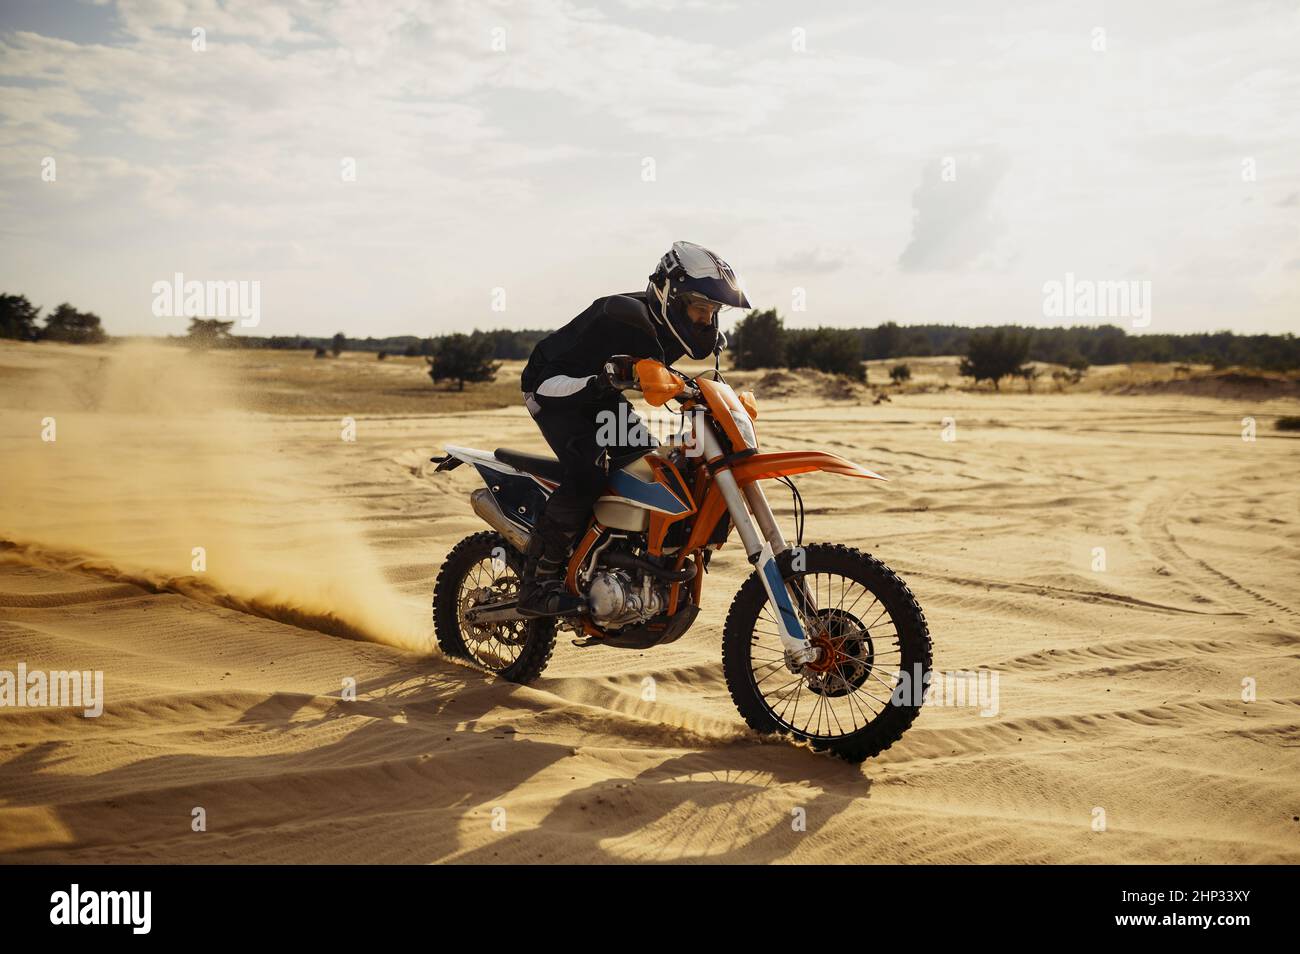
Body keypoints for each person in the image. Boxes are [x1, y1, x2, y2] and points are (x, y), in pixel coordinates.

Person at [515, 241, 751, 617]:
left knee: (651, 469)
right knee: (589, 472)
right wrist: (609, 378)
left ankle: (613, 556)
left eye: (712, 311)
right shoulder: (621, 316)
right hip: (554, 388)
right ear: (671, 297)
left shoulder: (674, 332)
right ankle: (537, 583)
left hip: (601, 395)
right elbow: (553, 382)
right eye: (699, 308)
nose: (706, 320)